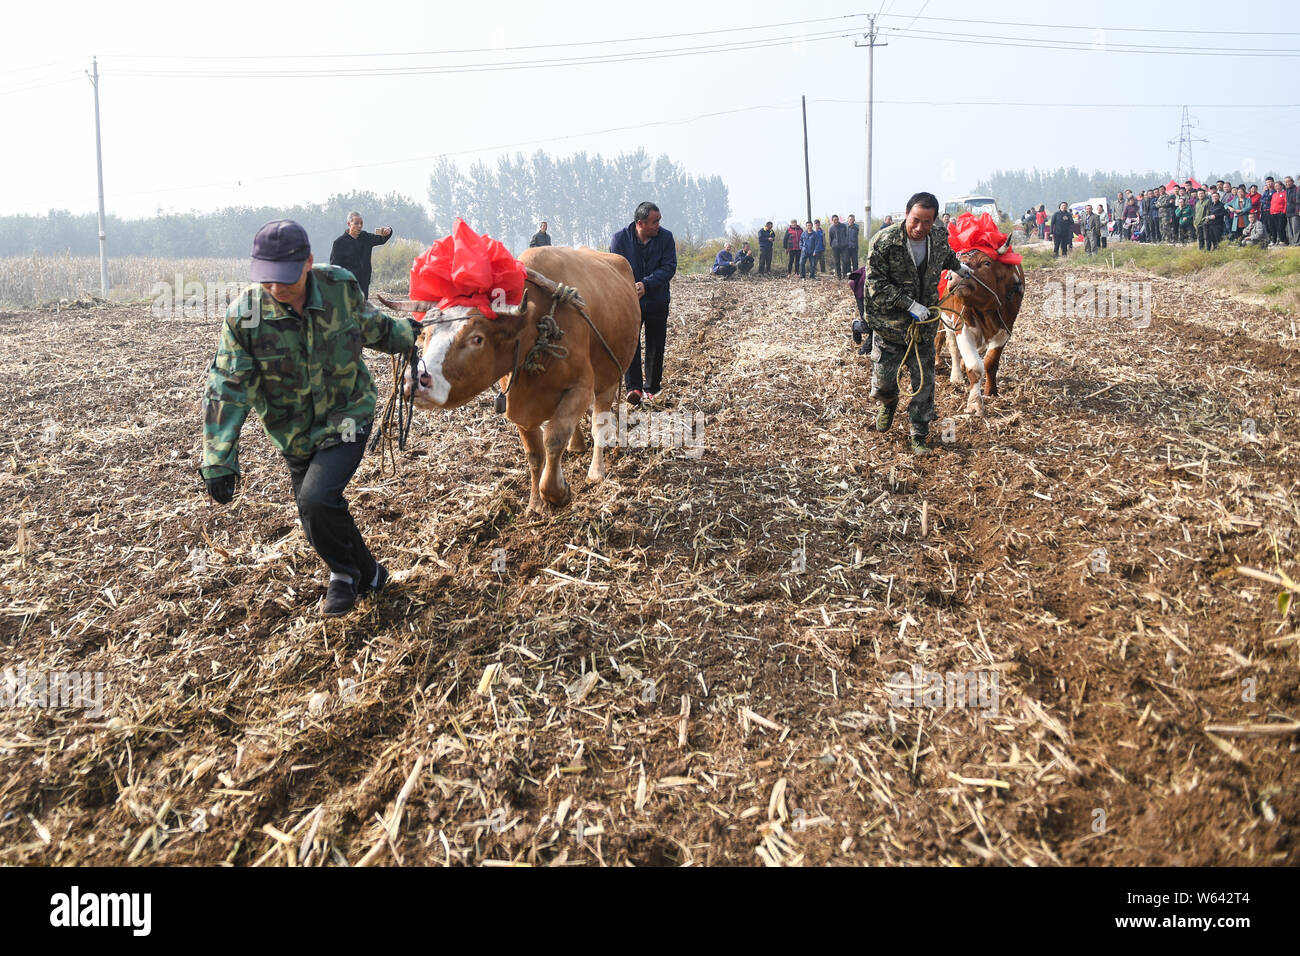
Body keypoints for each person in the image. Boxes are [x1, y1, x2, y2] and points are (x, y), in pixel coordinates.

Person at [201, 220, 419, 617]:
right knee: (315, 514)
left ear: (308, 263)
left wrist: (407, 335)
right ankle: (370, 575)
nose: (275, 289)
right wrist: (218, 457)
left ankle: (342, 574)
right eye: (267, 279)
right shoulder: (245, 316)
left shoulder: (339, 287)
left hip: (348, 413)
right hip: (293, 430)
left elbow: (370, 326)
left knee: (317, 499)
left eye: (285, 278)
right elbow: (227, 384)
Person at [864, 192, 972, 456]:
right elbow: (875, 283)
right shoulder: (885, 241)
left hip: (923, 327)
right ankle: (888, 404)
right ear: (906, 213)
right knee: (884, 382)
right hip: (890, 325)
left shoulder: (936, 238)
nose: (919, 228)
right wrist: (909, 305)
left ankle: (919, 434)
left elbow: (945, 257)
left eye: (926, 222)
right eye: (915, 220)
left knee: (924, 384)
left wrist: (960, 269)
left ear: (934, 220)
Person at [610, 201, 677, 407]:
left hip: (657, 299)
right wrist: (631, 289)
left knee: (656, 344)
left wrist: (646, 285)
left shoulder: (666, 238)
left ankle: (652, 388)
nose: (658, 225)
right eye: (654, 222)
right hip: (630, 303)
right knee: (631, 343)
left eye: (659, 221)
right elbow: (614, 268)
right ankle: (634, 388)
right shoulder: (620, 239)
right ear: (640, 223)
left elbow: (669, 267)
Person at [328, 212, 392, 300]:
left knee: (362, 310)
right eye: (356, 223)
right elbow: (334, 268)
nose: (360, 226)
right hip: (347, 286)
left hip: (364, 284)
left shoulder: (365, 237)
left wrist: (388, 230)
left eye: (361, 223)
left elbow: (382, 239)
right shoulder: (339, 243)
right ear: (349, 224)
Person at [1269, 181, 1288, 245]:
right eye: (1275, 186)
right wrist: (1271, 211)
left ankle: (1282, 240)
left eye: (1278, 186)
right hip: (1273, 213)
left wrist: (1284, 211)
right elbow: (1272, 203)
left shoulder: (1284, 193)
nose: (1276, 187)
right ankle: (1274, 240)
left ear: (1281, 186)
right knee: (1273, 227)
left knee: (1281, 227)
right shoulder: (1274, 194)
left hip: (1280, 213)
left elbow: (1286, 203)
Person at [1285, 175, 1299, 246]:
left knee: (1295, 228)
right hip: (1288, 211)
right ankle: (1292, 243)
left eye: (1288, 181)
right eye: (1286, 182)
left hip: (1295, 211)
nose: (1287, 183)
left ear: (1292, 181)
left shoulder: (1296, 189)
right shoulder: (1286, 190)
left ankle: (1297, 242)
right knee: (1289, 229)